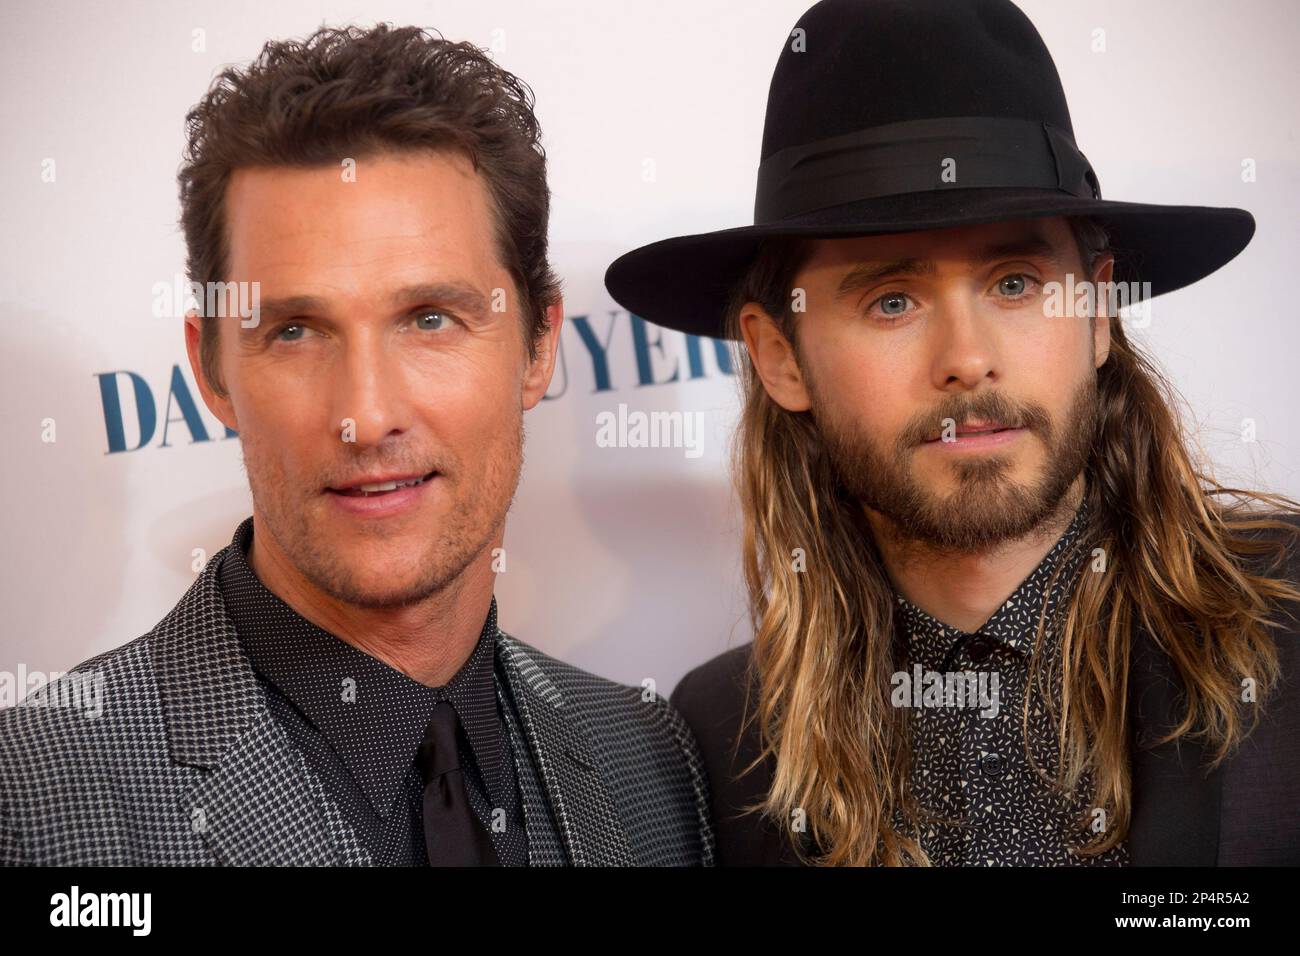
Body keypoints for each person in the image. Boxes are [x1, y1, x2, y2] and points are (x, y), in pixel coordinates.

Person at [606, 0, 1300, 865]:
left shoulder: (1288, 623)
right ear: (779, 354)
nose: (968, 360)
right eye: (892, 301)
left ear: (1095, 313)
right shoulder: (724, 740)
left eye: (1014, 283)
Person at [0, 24, 712, 867]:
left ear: (538, 344)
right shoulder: (30, 808)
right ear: (212, 368)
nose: (366, 417)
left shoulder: (651, 760)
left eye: (430, 319)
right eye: (297, 331)